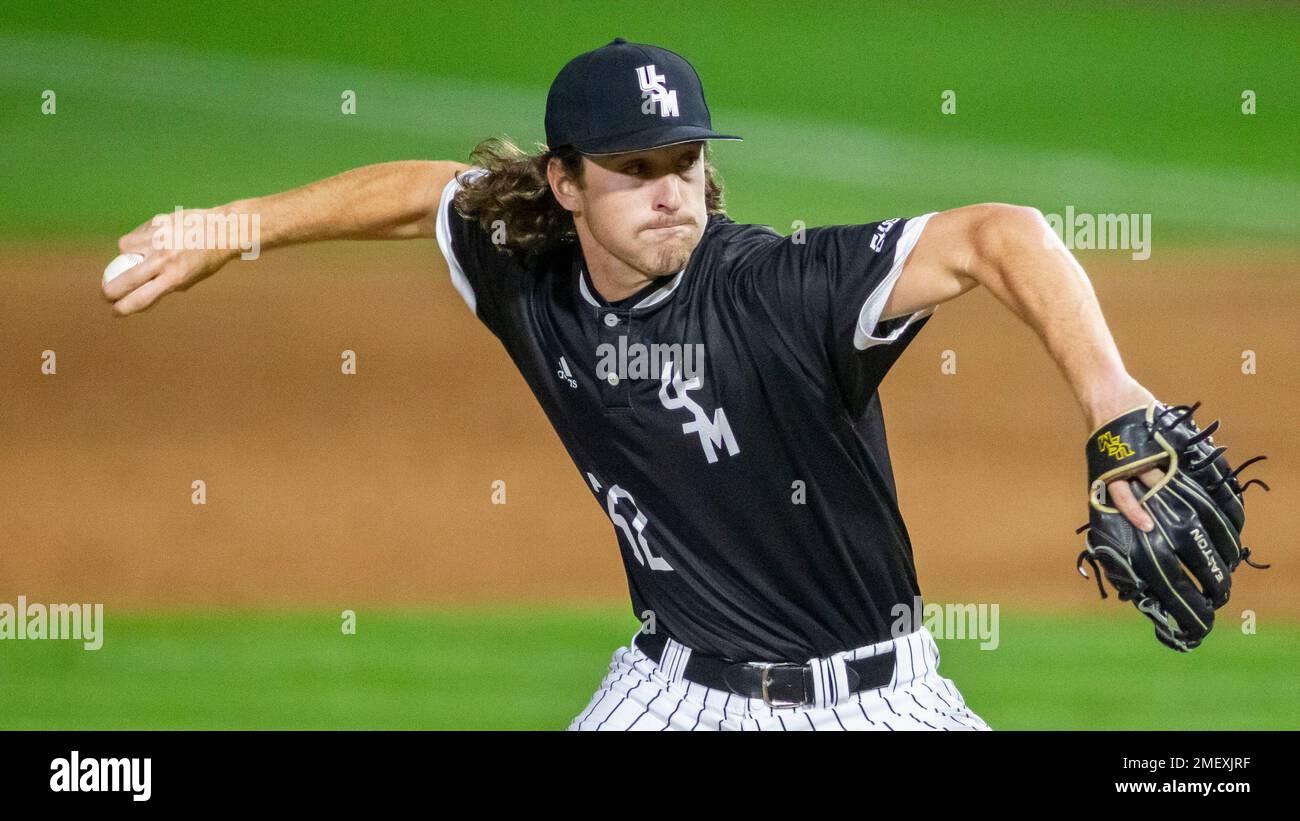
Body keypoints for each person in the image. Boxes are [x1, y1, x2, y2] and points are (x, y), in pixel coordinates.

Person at [105, 38, 1167, 731]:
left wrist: (1109, 392)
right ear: (563, 183)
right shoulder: (525, 265)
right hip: (667, 694)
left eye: (685, 161)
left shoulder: (779, 286)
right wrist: (233, 225)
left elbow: (1002, 235)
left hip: (880, 703)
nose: (672, 192)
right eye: (635, 169)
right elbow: (422, 191)